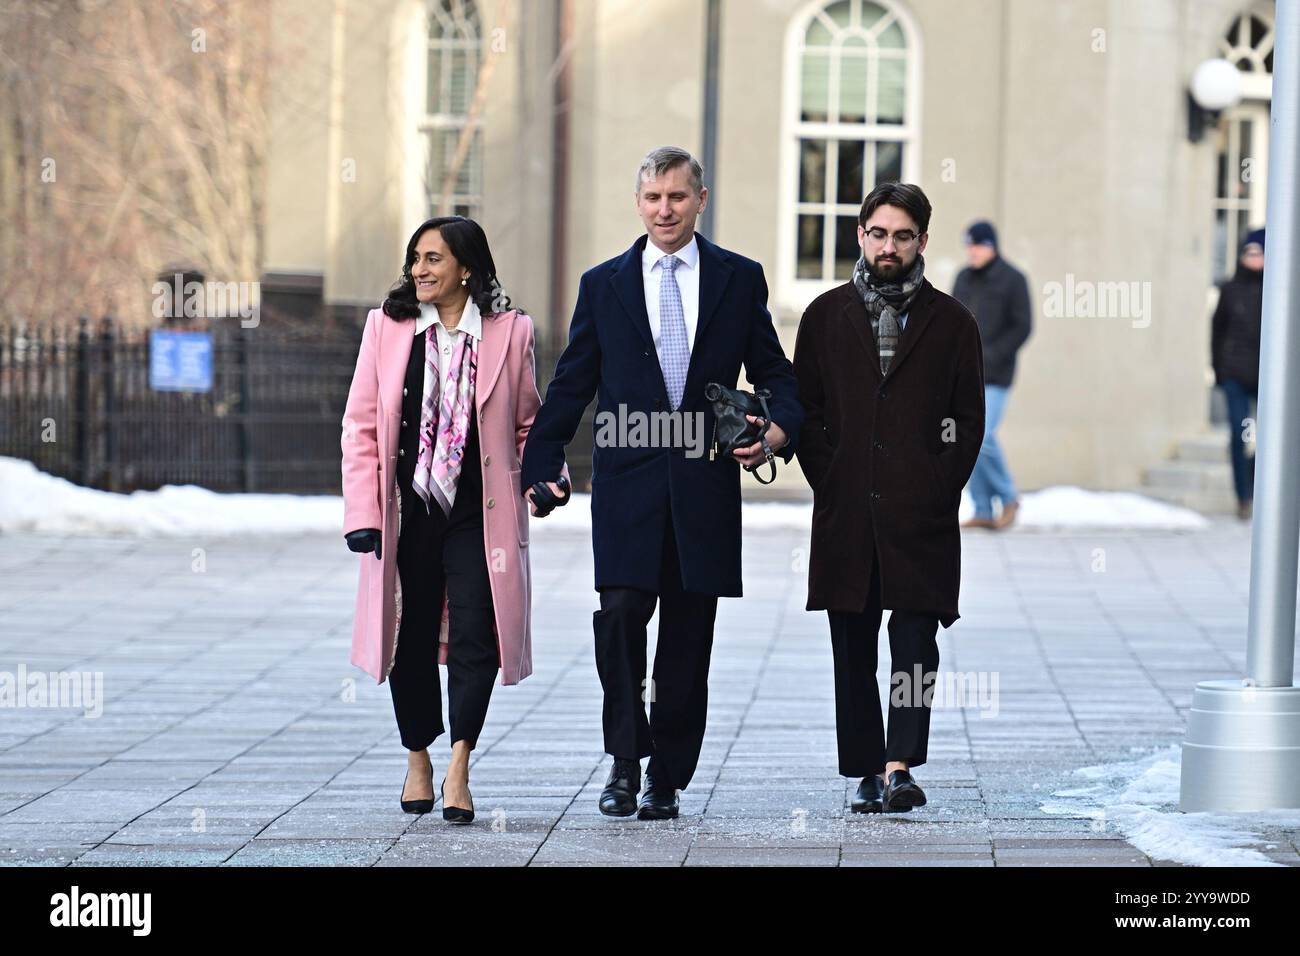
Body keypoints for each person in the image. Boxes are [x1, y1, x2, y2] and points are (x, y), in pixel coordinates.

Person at [521, 146, 803, 819]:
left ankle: (667, 777)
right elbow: (572, 382)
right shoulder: (604, 284)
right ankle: (624, 761)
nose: (664, 210)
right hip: (627, 486)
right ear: (639, 201)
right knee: (619, 617)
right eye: (653, 198)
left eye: (677, 197)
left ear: (700, 199)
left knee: (688, 636)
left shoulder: (739, 279)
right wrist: (541, 461)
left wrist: (779, 430)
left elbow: (775, 373)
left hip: (704, 488)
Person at [340, 216, 567, 823]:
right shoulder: (386, 329)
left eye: (434, 259)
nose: (420, 269)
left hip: (477, 513)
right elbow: (361, 426)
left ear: (467, 268)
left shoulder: (511, 333)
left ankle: (460, 765)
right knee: (408, 635)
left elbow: (527, 424)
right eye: (415, 257)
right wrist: (363, 513)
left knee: (477, 634)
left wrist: (549, 478)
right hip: (407, 513)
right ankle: (418, 757)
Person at [793, 182, 984, 814]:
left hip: (919, 515)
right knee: (852, 647)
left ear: (922, 241)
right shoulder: (823, 317)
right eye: (878, 233)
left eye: (903, 235)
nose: (889, 246)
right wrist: (831, 473)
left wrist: (936, 482)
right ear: (860, 236)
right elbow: (808, 410)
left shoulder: (953, 323)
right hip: (847, 510)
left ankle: (901, 764)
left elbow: (966, 420)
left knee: (913, 648)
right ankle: (866, 770)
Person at [951, 220, 1032, 530]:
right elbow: (952, 318)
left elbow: (1023, 326)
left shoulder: (1013, 280)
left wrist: (994, 354)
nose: (970, 251)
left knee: (983, 437)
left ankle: (1008, 497)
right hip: (964, 371)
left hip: (996, 375)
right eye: (967, 246)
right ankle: (983, 508)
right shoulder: (963, 278)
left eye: (975, 245)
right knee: (966, 438)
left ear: (990, 246)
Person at [1210, 227, 1264, 520]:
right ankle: (1242, 496)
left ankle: (1255, 486)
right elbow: (1217, 332)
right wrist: (1219, 370)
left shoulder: (1277, 292)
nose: (1254, 259)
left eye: (1259, 253)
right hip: (1234, 376)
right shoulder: (1230, 290)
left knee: (1269, 437)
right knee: (1238, 434)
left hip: (1266, 379)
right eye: (1250, 253)